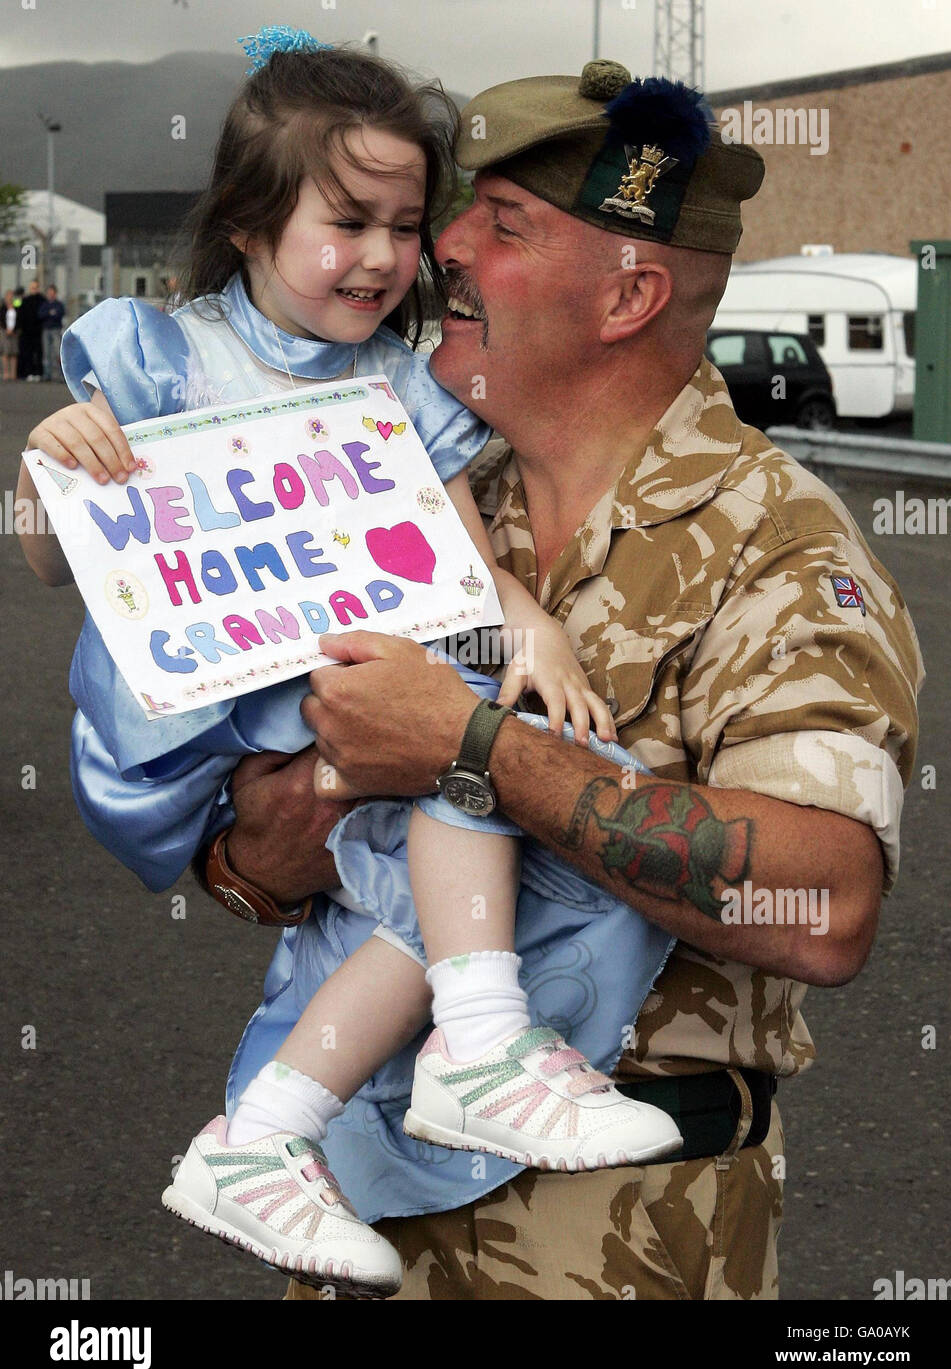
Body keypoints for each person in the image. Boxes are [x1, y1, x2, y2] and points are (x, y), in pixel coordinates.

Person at [17, 33, 681, 1300]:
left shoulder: (397, 381)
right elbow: (53, 561)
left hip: (342, 674)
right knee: (458, 742)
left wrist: (528, 618)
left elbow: (454, 549)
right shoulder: (158, 356)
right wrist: (56, 459)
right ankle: (467, 1044)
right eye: (348, 220)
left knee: (484, 782)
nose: (382, 256)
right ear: (254, 221)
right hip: (202, 708)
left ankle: (273, 1127)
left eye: (404, 224)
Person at [17, 278, 44, 380]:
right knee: (28, 353)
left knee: (38, 353)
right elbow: (19, 312)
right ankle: (29, 372)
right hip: (26, 332)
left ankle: (38, 373)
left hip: (38, 332)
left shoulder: (42, 300)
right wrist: (20, 327)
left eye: (35, 287)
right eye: (32, 287)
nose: (34, 289)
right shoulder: (24, 300)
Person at [38, 284, 66, 381]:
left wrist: (49, 314)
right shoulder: (45, 304)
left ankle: (58, 375)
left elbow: (60, 313)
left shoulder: (59, 304)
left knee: (57, 352)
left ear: (55, 293)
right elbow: (40, 315)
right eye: (49, 293)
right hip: (46, 330)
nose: (50, 295)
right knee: (46, 353)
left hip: (56, 330)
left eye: (52, 293)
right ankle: (47, 374)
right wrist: (50, 313)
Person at [2, 289, 19, 381]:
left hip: (14, 332)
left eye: (11, 296)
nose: (10, 298)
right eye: (8, 296)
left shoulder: (16, 306)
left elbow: (19, 317)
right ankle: (6, 372)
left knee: (14, 353)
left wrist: (14, 329)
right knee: (6, 353)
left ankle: (13, 373)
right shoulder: (3, 308)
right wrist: (6, 329)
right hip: (5, 332)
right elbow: (1, 319)